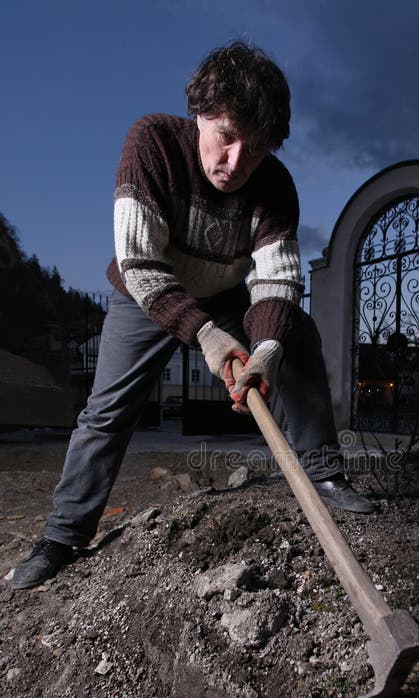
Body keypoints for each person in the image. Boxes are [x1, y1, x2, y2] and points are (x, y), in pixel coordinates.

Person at [12, 41, 374, 591]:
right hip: (150, 291)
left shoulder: (275, 186)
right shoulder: (152, 144)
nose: (235, 164)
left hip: (229, 292)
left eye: (254, 150)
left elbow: (276, 281)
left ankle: (324, 474)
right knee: (107, 410)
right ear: (200, 113)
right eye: (226, 138)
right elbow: (141, 264)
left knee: (297, 332)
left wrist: (266, 353)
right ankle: (63, 534)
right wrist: (205, 335)